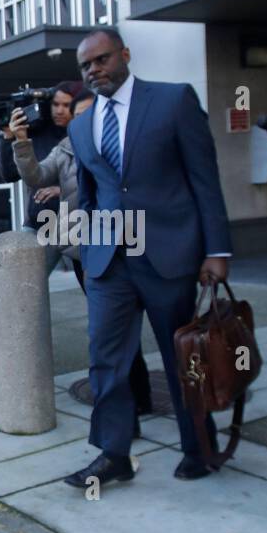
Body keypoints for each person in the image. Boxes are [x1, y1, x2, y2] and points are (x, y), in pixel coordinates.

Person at [63, 26, 231, 488]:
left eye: (101, 59)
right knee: (106, 359)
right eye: (85, 66)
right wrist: (92, 242)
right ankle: (113, 453)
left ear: (125, 55)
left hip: (168, 253)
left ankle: (199, 445)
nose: (94, 70)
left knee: (184, 358)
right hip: (109, 262)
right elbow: (91, 193)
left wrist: (216, 250)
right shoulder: (80, 125)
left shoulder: (174, 100)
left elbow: (204, 180)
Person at [9, 89, 155, 421]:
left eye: (89, 112)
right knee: (108, 326)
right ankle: (125, 404)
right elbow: (34, 176)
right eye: (77, 115)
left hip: (131, 242)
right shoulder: (65, 148)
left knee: (128, 322)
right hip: (86, 249)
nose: (82, 120)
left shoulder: (123, 141)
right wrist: (20, 141)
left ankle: (144, 394)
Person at [0, 82, 75, 230]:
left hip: (74, 223)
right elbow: (10, 175)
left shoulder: (81, 135)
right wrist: (9, 137)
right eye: (55, 105)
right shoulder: (31, 132)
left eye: (65, 105)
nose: (59, 111)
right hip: (36, 223)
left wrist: (61, 191)